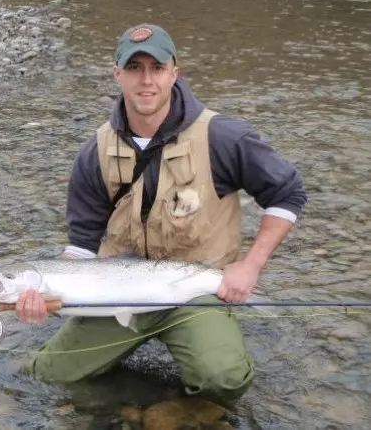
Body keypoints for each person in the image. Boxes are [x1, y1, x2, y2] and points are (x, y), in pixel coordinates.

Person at [16, 23, 307, 406]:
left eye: (157, 67)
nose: (147, 80)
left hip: (195, 292)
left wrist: (250, 266)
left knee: (221, 379)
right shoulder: (95, 151)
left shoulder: (223, 136)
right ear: (117, 73)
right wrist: (50, 298)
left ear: (175, 72)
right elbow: (82, 249)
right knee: (46, 375)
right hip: (119, 297)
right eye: (134, 68)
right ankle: (129, 405)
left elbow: (287, 193)